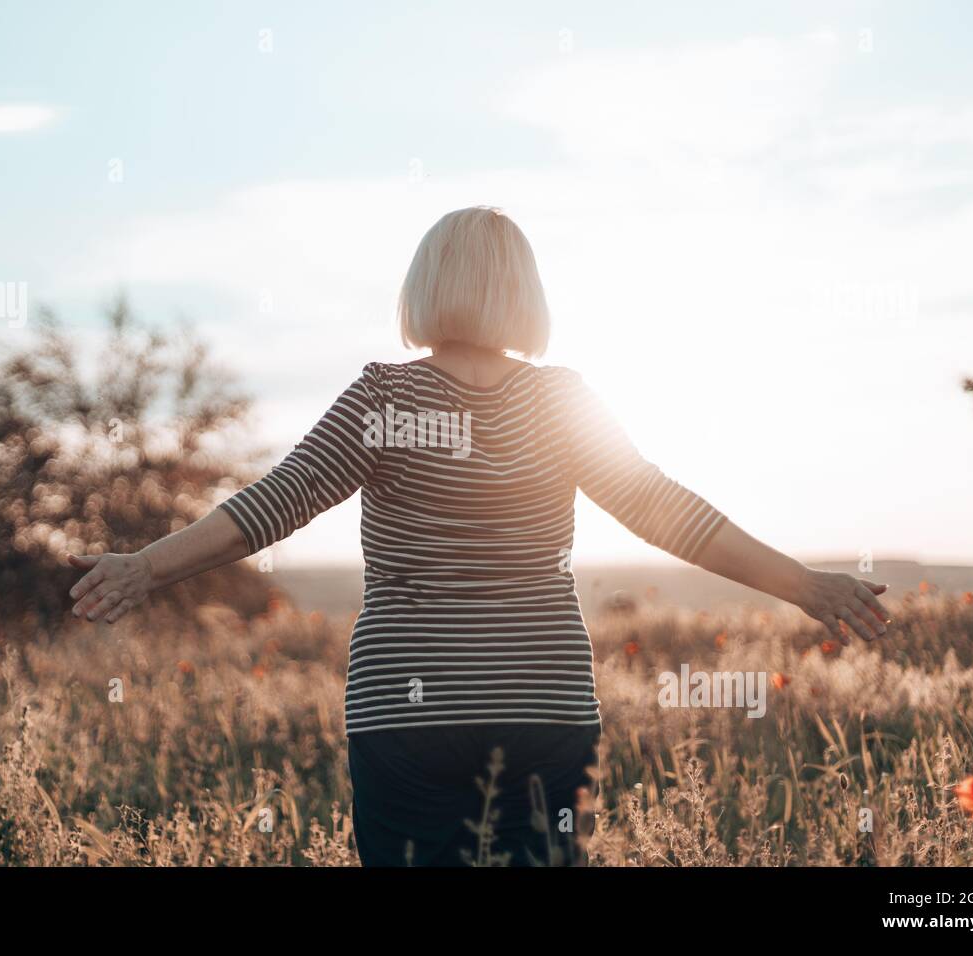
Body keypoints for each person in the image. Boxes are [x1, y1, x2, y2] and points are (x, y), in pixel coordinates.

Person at [66, 205, 891, 866]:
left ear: (425, 287)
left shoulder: (381, 398)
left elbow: (271, 505)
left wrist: (146, 566)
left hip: (407, 712)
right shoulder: (561, 401)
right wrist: (809, 587)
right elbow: (668, 512)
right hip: (544, 707)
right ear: (524, 295)